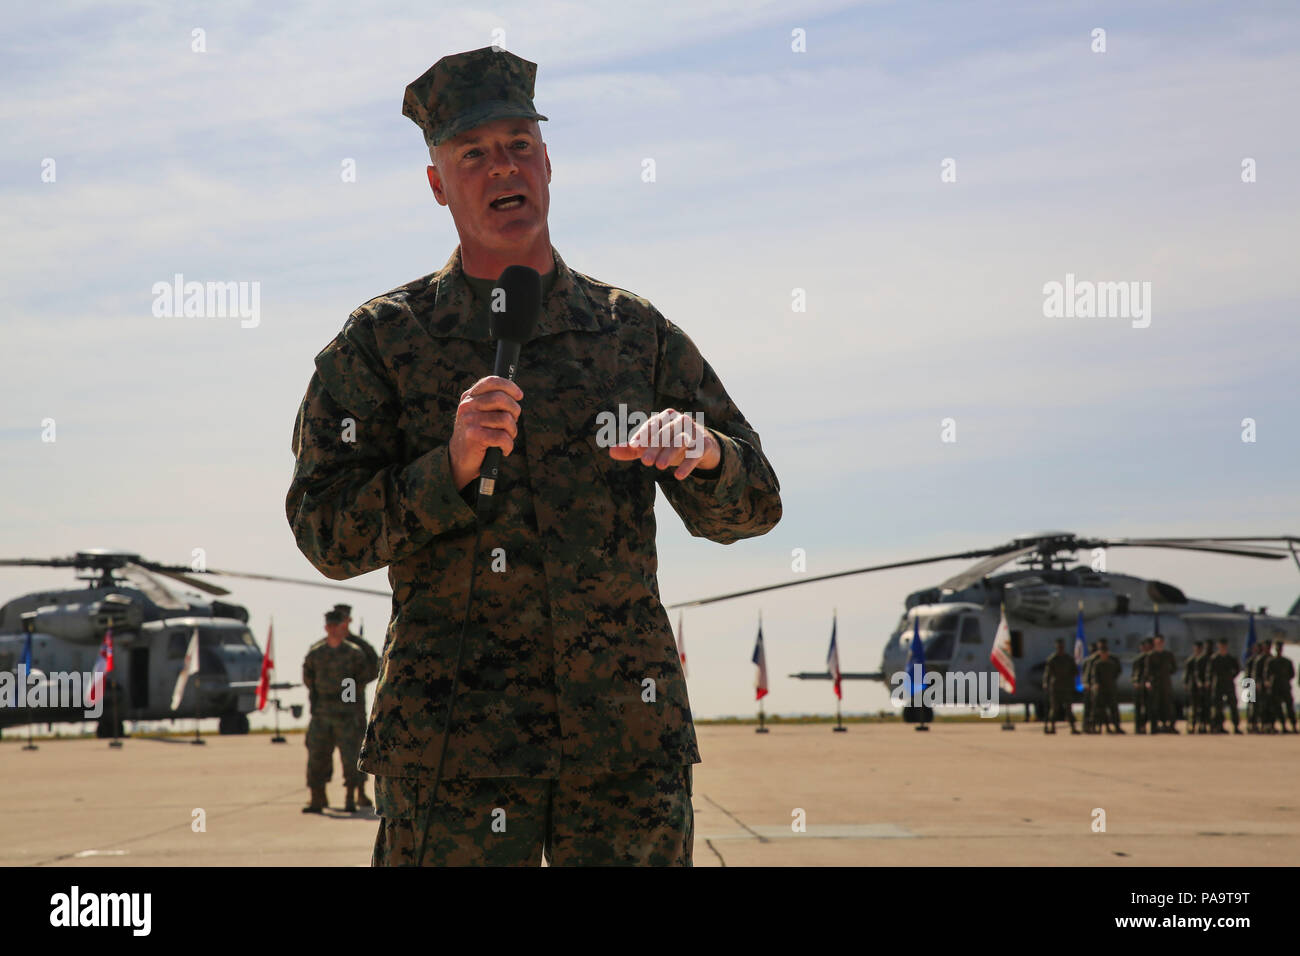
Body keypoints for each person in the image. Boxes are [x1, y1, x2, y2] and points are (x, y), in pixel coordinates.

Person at [284, 47, 782, 866]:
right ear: (439, 183)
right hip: (454, 760)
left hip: (623, 753)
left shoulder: (634, 332)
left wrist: (706, 456)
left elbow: (757, 503)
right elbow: (324, 533)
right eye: (473, 153)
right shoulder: (383, 342)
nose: (501, 167)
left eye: (519, 144)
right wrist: (442, 468)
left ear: (547, 163)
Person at [302, 608, 378, 813]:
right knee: (317, 756)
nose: (335, 630)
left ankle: (352, 796)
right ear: (327, 627)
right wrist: (321, 699)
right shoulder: (316, 652)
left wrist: (346, 699)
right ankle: (317, 797)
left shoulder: (354, 651)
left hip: (346, 714)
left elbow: (362, 677)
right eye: (331, 626)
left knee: (351, 756)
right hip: (322, 713)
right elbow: (309, 678)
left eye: (338, 625)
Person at [333, 603, 380, 808]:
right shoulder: (325, 646)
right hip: (326, 709)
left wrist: (356, 683)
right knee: (321, 753)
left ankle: (358, 792)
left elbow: (376, 666)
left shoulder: (360, 646)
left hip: (353, 707)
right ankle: (318, 795)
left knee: (354, 750)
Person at [1042, 638, 1080, 735]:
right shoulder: (1052, 659)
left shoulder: (1069, 659)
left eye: (1062, 646)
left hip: (1066, 687)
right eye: (1059, 647)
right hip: (1055, 687)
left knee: (1069, 709)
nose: (1060, 648)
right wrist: (1045, 683)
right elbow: (1047, 673)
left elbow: (1075, 672)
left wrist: (1071, 678)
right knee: (1054, 709)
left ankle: (1073, 728)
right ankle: (1052, 727)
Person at [1087, 640, 1123, 734]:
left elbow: (1117, 671)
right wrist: (1093, 684)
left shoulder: (1112, 662)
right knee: (1098, 709)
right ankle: (1096, 727)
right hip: (1100, 689)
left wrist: (1112, 681)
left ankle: (1116, 726)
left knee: (1113, 708)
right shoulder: (1095, 662)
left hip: (1110, 688)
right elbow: (1093, 675)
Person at [1208, 640, 1242, 734]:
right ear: (1218, 646)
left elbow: (1237, 670)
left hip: (1229, 684)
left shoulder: (1231, 659)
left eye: (1224, 646)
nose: (1223, 647)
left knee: (1233, 705)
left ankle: (1236, 726)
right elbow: (1209, 672)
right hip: (1218, 684)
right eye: (1221, 645)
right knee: (1218, 707)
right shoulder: (1214, 658)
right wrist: (1210, 682)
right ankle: (1218, 726)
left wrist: (1231, 677)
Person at [1146, 634, 1177, 733]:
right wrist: (1148, 681)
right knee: (1155, 706)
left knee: (1167, 705)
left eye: (1160, 642)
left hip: (1166, 683)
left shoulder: (1168, 655)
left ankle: (1169, 726)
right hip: (1155, 683)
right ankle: (1154, 727)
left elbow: (1174, 668)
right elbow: (1148, 670)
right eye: (1157, 643)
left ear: (1163, 643)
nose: (1159, 644)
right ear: (1155, 643)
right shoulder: (1151, 655)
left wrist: (1167, 673)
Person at [1265, 639, 1296, 734]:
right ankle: (1283, 725)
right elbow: (1266, 674)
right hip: (1275, 688)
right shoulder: (1270, 662)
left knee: (1289, 706)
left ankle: (1293, 725)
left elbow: (1292, 674)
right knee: (1277, 708)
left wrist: (1284, 680)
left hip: (1285, 687)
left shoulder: (1287, 661)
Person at [1182, 642, 1205, 734]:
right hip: (1193, 687)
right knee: (1193, 708)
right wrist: (1185, 683)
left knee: (1203, 707)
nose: (1198, 650)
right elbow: (1186, 674)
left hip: (1203, 687)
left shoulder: (1204, 660)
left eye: (1199, 648)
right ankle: (1192, 725)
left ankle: (1202, 726)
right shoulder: (1190, 661)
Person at [1131, 638, 1152, 733]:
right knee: (1138, 708)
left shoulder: (1151, 658)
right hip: (1139, 686)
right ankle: (1138, 727)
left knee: (1148, 708)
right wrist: (1136, 681)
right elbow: (1135, 672)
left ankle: (1145, 726)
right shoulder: (1138, 659)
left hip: (1149, 686)